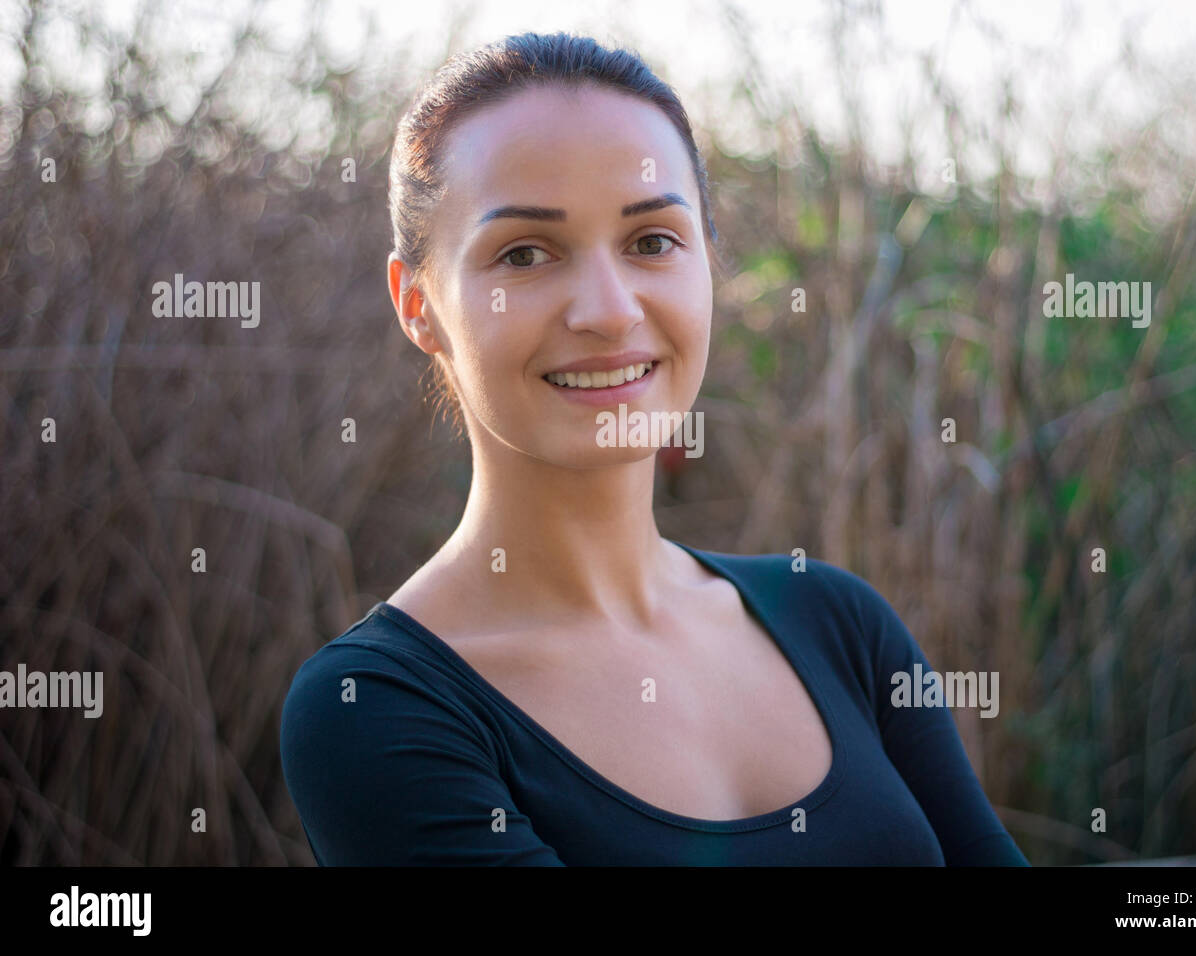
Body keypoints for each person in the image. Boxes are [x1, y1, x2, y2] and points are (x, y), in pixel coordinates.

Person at [279, 31, 1029, 866]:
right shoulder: (375, 709)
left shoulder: (838, 623)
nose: (607, 309)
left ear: (707, 261)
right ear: (417, 303)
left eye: (651, 242)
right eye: (525, 253)